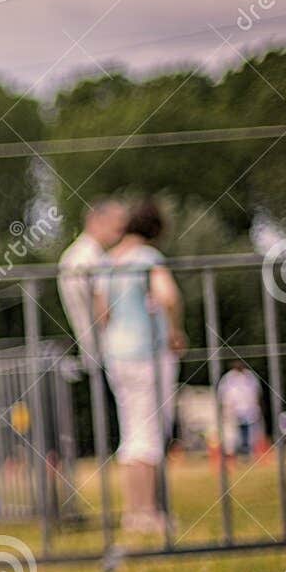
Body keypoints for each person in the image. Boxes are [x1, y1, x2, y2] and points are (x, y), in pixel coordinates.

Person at [97, 200, 186, 536]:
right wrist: (175, 330)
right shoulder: (148, 259)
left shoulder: (107, 262)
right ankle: (147, 514)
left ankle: (134, 513)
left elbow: (101, 313)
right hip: (148, 353)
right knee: (148, 434)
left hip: (117, 355)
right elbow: (169, 296)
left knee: (131, 433)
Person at [58, 199, 128, 362]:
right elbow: (102, 311)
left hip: (92, 349)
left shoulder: (74, 255)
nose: (121, 233)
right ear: (98, 220)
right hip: (107, 351)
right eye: (117, 225)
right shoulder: (92, 259)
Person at [218, 360, 264, 457]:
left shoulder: (250, 376)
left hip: (249, 410)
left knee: (250, 433)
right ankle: (233, 453)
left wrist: (257, 407)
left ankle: (248, 453)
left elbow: (257, 392)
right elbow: (223, 395)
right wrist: (225, 409)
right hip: (233, 411)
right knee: (233, 434)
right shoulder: (227, 378)